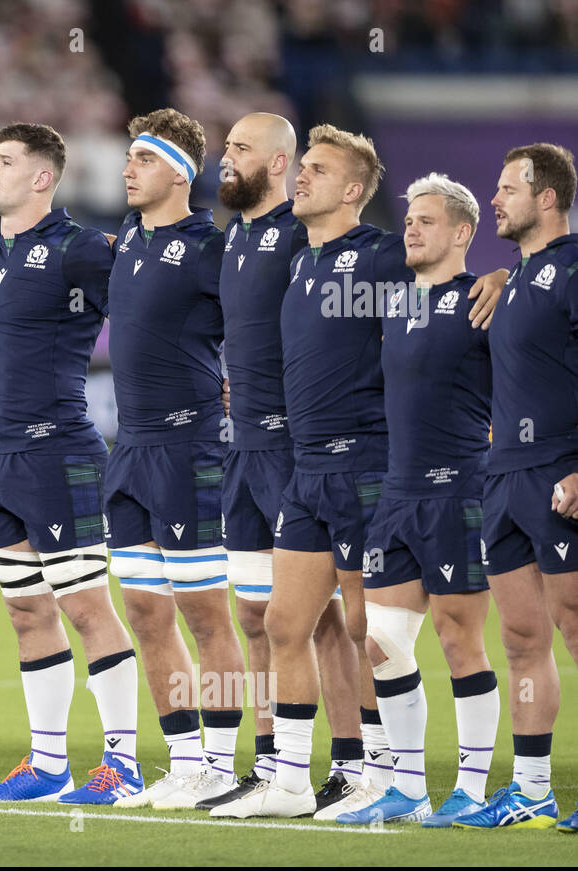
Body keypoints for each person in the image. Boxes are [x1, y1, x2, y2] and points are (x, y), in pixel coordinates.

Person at [215, 125, 503, 819]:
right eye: (301, 166)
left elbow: (450, 280)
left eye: (316, 170)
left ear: (350, 190)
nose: (301, 179)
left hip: (368, 468)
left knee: (364, 632)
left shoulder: (377, 256)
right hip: (305, 468)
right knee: (285, 623)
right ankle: (286, 778)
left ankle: (381, 774)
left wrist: (501, 276)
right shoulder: (299, 261)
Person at [0, 123, 141, 805]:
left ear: (43, 177)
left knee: (87, 608)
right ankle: (47, 767)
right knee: (26, 613)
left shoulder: (80, 248)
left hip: (61, 452)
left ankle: (122, 765)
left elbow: (155, 301)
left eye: (5, 161)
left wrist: (209, 370)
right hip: (1, 457)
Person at [330, 173, 499, 826]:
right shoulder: (394, 303)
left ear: (462, 232)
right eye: (408, 220)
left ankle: (474, 790)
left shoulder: (486, 301)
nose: (412, 228)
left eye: (427, 220)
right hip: (395, 496)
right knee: (381, 643)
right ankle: (406, 787)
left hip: (459, 494)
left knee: (461, 642)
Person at [208, 112, 362, 812]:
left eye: (239, 149)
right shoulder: (234, 237)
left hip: (296, 448)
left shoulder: (304, 235)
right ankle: (272, 763)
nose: (225, 160)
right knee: (253, 617)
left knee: (322, 620)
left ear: (278, 162)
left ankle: (357, 762)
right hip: (242, 447)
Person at [101, 109, 244, 809]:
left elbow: (256, 327)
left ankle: (221, 763)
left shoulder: (209, 248)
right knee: (147, 615)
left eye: (143, 160)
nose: (127, 169)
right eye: (128, 158)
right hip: (129, 451)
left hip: (189, 450)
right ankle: (185, 763)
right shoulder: (127, 238)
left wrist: (235, 384)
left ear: (180, 173)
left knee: (205, 615)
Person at [458, 143, 578, 831]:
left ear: (548, 198)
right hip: (503, 476)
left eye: (508, 189)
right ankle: (532, 791)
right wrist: (509, 280)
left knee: (575, 628)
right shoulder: (515, 277)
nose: (495, 200)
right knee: (523, 640)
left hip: (560, 469)